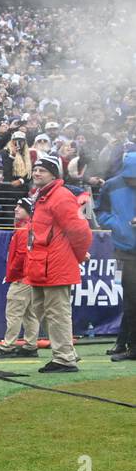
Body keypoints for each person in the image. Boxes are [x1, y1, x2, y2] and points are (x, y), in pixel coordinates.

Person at [26, 154, 93, 373]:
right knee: (43, 310)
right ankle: (66, 353)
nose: (36, 173)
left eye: (42, 170)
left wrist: (79, 255)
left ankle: (64, 358)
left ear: (54, 174)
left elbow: (80, 230)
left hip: (55, 264)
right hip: (42, 264)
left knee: (56, 313)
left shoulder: (60, 196)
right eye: (35, 169)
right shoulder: (43, 195)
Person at [95, 151, 135, 360]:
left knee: (131, 300)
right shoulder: (111, 185)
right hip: (122, 251)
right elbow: (101, 212)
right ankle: (126, 345)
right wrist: (119, 225)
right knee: (129, 299)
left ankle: (126, 344)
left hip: (125, 250)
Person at [0, 198, 41, 359]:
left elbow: (21, 256)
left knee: (14, 312)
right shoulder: (27, 228)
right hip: (29, 277)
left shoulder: (24, 230)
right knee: (29, 313)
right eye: (16, 205)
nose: (16, 209)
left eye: (21, 207)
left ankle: (8, 346)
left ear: (29, 210)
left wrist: (13, 274)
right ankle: (30, 345)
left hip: (22, 278)